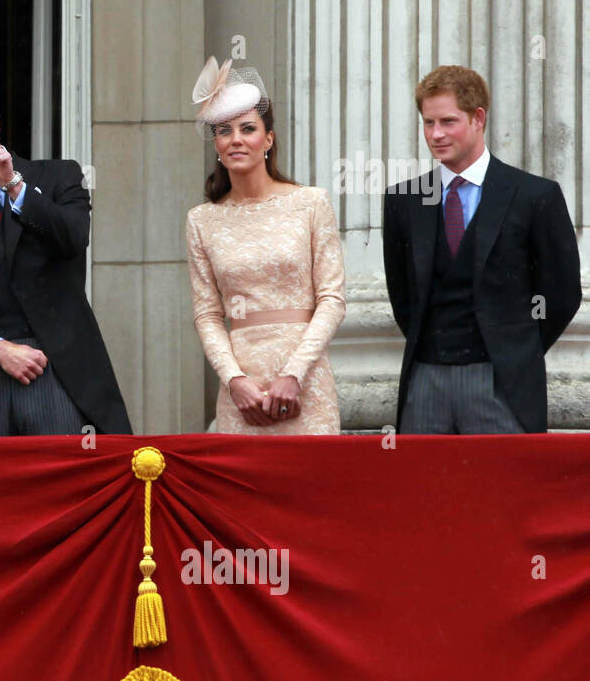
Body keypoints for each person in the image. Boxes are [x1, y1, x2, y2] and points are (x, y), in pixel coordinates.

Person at [0, 80, 131, 436]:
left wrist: (12, 183)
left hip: (59, 370)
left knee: (67, 487)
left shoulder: (60, 175)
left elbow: (73, 239)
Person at [382, 65, 581, 434]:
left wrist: (516, 348)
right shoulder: (403, 200)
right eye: (428, 123)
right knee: (422, 490)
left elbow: (562, 293)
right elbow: (403, 296)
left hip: (504, 383)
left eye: (448, 121)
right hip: (425, 379)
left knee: (507, 490)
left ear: (478, 118)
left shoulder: (535, 196)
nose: (436, 134)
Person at [184, 57, 346, 434]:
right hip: (242, 392)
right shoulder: (201, 220)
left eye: (247, 128)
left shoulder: (311, 203)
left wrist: (294, 373)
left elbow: (332, 299)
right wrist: (234, 381)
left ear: (268, 139)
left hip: (307, 384)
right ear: (217, 145)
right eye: (224, 130)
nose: (236, 138)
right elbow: (207, 314)